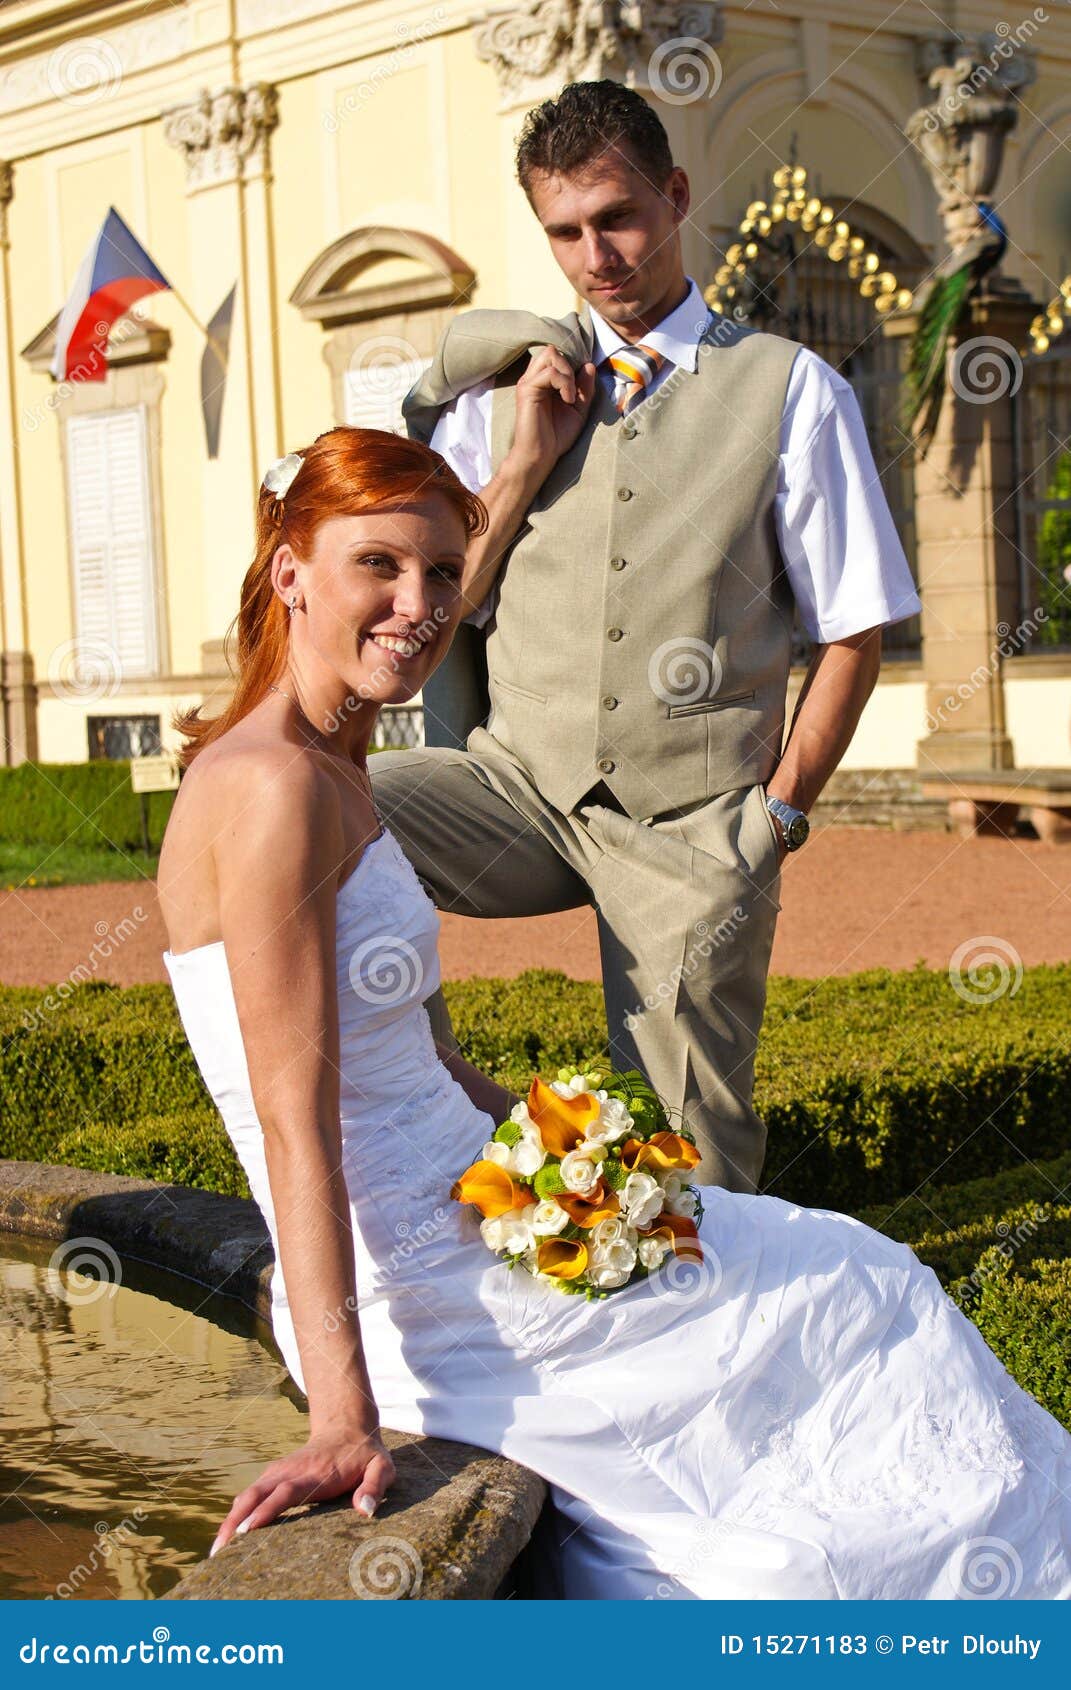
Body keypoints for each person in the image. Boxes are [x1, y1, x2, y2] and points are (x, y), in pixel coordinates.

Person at [158, 427, 1071, 1600]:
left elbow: (427, 1057)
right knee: (859, 1300)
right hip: (424, 1278)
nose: (419, 604)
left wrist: (592, 1154)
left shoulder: (336, 765)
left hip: (490, 1198)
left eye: (443, 574)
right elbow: (294, 1121)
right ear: (291, 572)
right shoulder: (273, 789)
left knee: (849, 1271)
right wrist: (345, 1412)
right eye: (378, 566)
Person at [370, 79, 923, 1197]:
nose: (596, 258)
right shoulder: (501, 393)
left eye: (616, 218)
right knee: (321, 807)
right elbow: (432, 620)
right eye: (565, 233)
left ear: (674, 196)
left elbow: (853, 631)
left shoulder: (790, 390)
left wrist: (775, 818)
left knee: (696, 1173)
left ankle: (727, 1353)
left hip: (691, 829)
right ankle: (436, 1104)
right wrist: (522, 463)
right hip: (518, 788)